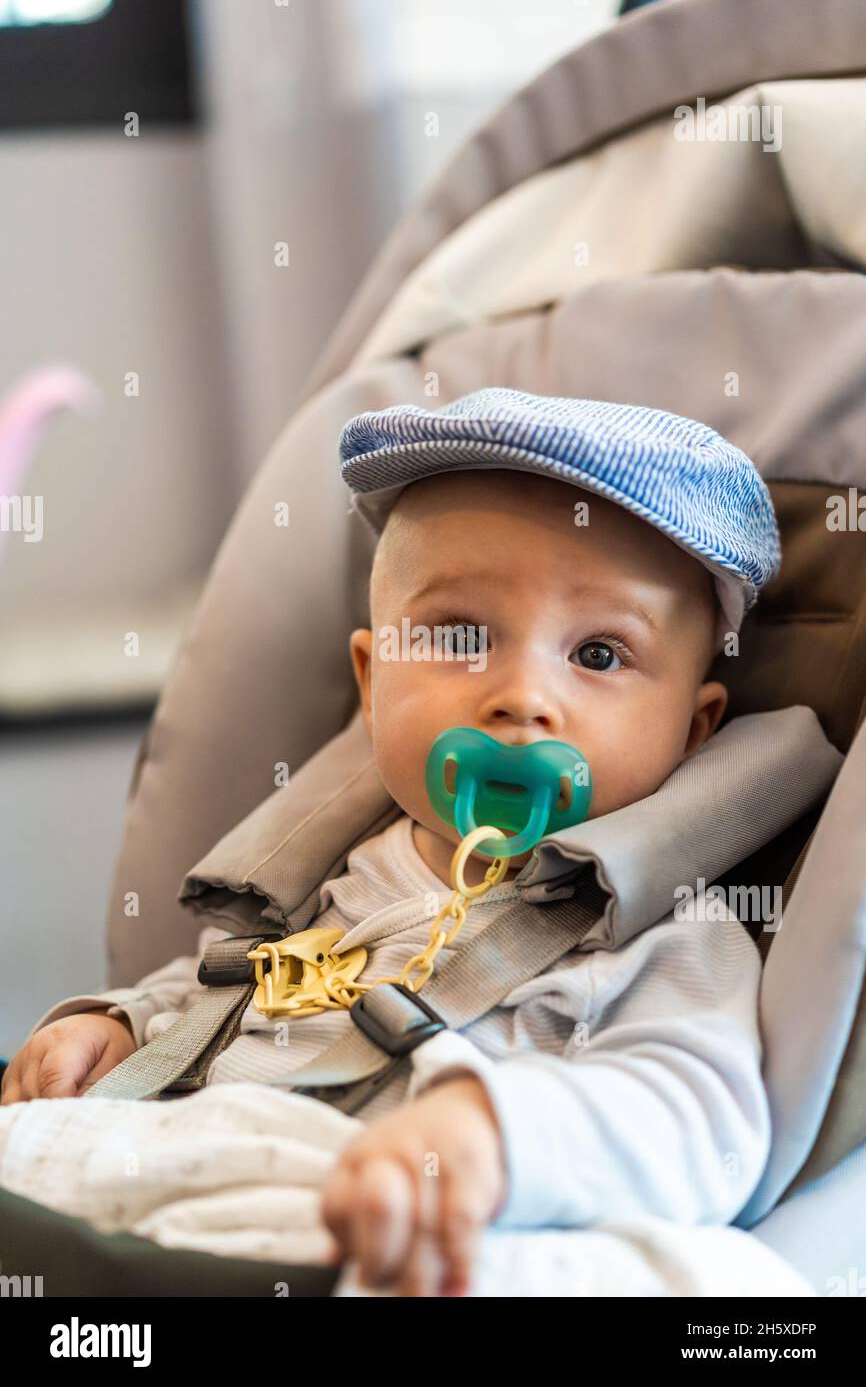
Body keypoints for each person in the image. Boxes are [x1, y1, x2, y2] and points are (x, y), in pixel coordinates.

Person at [2, 389, 792, 1297]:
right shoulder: (341, 871)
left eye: (601, 655)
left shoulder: (662, 931)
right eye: (460, 636)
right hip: (213, 1163)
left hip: (411, 1219)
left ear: (693, 733)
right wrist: (123, 1026)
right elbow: (230, 991)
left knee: (714, 1289)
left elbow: (700, 1121)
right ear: (373, 683)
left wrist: (490, 1135)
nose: (522, 696)